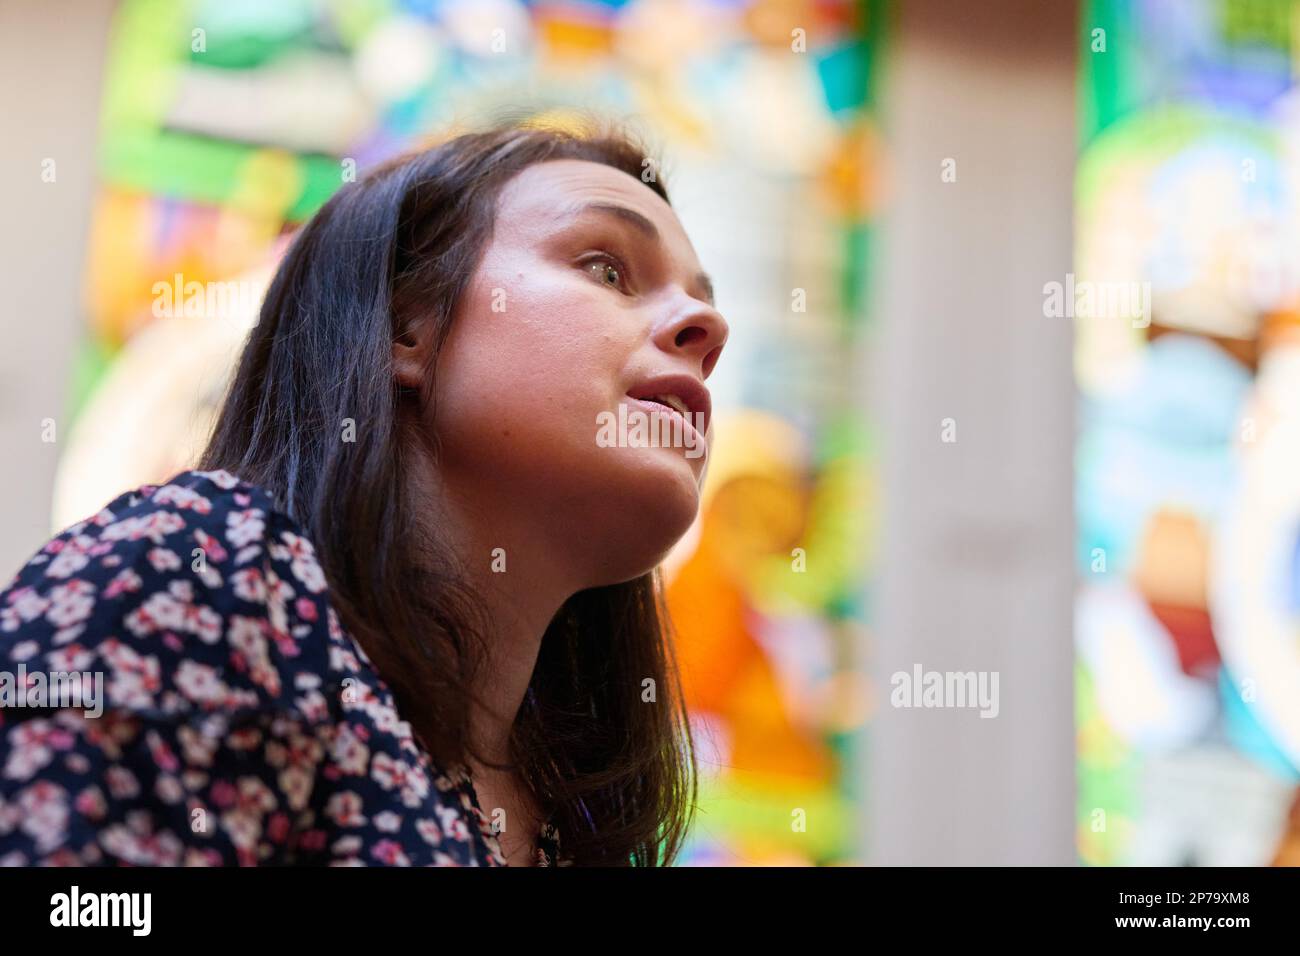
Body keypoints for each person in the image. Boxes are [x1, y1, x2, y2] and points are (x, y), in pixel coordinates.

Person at [0, 119, 728, 866]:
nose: (707, 326)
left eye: (701, 300)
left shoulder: (566, 826)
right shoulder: (199, 574)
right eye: (606, 267)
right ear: (404, 326)